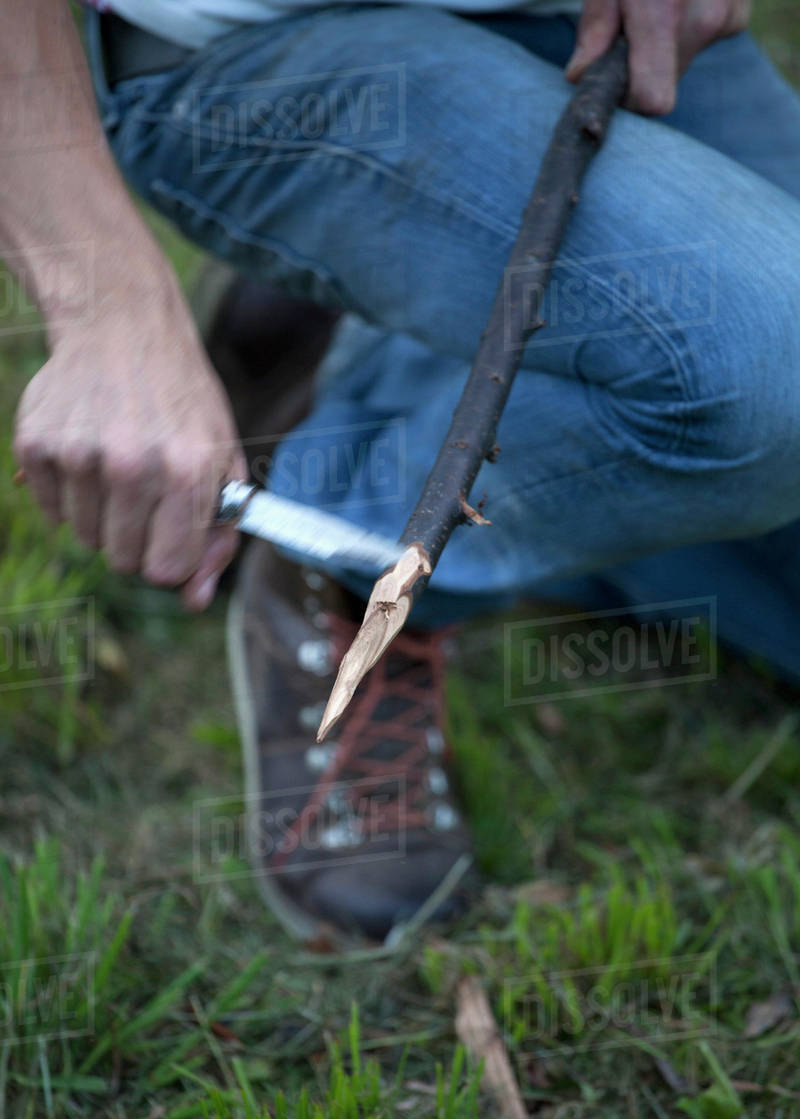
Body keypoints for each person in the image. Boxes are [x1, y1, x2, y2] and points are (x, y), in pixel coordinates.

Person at [6, 0, 799, 944]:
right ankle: (346, 559)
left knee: (750, 443)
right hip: (247, 49)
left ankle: (358, 328)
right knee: (766, 374)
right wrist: (109, 308)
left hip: (591, 25)